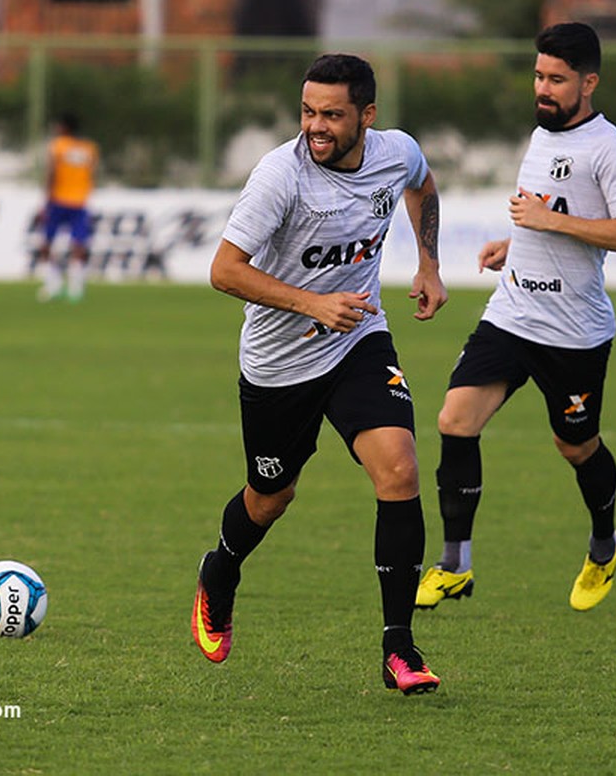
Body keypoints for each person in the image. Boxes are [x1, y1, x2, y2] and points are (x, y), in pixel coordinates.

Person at [191, 53, 448, 695]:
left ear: (367, 115)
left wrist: (428, 263)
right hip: (280, 363)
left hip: (359, 337)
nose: (316, 127)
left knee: (400, 468)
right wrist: (313, 304)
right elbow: (224, 271)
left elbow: (423, 184)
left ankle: (400, 650)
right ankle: (220, 571)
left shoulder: (396, 153)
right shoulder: (280, 176)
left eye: (331, 115)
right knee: (270, 498)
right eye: (307, 112)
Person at [415, 23, 616, 613]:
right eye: (539, 76)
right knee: (455, 420)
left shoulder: (610, 150)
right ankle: (455, 564)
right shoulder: (541, 136)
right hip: (514, 312)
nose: (542, 89)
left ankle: (603, 543)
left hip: (573, 332)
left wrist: (549, 224)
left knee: (576, 447)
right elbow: (545, 214)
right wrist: (514, 244)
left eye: (557, 79)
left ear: (589, 82)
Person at [36, 112, 99, 302]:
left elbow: (52, 173)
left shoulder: (58, 146)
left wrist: (46, 201)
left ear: (64, 128)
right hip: (80, 201)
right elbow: (92, 173)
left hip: (58, 200)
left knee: (46, 242)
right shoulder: (90, 148)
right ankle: (75, 286)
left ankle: (53, 283)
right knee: (78, 244)